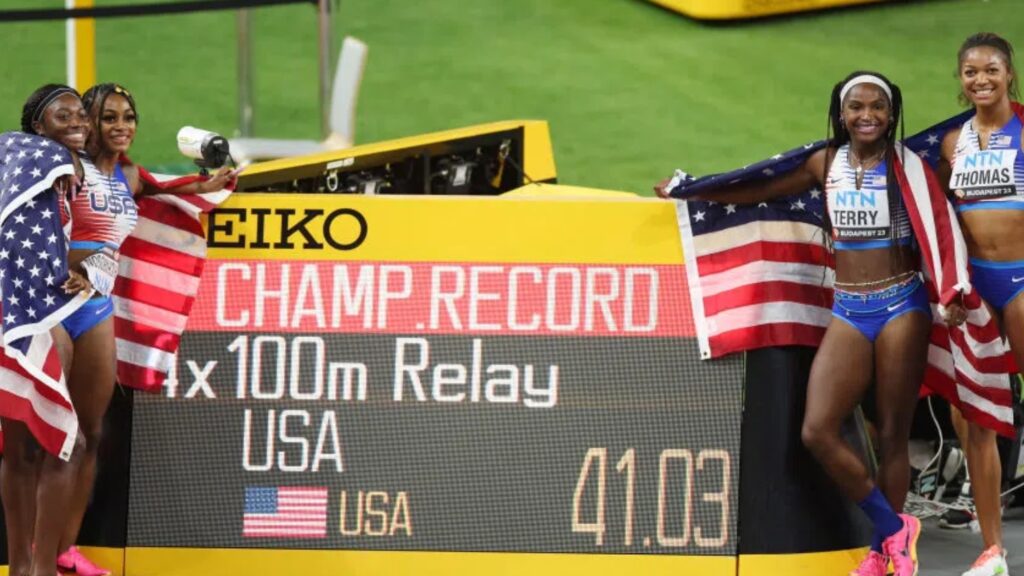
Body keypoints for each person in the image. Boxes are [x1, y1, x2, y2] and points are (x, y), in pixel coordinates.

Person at [657, 71, 966, 576]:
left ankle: (881, 554)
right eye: (856, 107)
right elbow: (759, 187)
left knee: (892, 434)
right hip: (848, 309)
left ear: (892, 115)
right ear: (841, 114)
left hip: (900, 307)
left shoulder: (908, 166)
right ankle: (894, 528)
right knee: (817, 429)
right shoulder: (826, 162)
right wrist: (693, 192)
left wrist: (952, 290)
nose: (867, 116)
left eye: (877, 108)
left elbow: (941, 225)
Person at [48, 83, 236, 576]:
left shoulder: (129, 174)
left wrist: (205, 183)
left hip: (97, 310)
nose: (120, 126)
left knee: (90, 434)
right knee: (48, 431)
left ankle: (64, 551)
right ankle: (31, 554)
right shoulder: (63, 169)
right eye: (108, 117)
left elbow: (161, 191)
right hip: (52, 307)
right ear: (87, 120)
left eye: (128, 117)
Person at [934, 31, 1024, 576]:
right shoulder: (952, 144)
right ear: (961, 80)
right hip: (976, 290)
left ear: (1009, 74)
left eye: (991, 69)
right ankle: (993, 550)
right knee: (974, 418)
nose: (981, 79)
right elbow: (940, 221)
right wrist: (950, 288)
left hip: (1021, 278)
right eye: (970, 71)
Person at [1, 84, 95, 576]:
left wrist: (86, 270)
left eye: (82, 113)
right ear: (38, 126)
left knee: (40, 443)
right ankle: (31, 571)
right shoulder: (34, 160)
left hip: (48, 308)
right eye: (64, 115)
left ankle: (29, 568)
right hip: (28, 309)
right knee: (50, 442)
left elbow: (94, 245)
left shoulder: (69, 171)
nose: (79, 121)